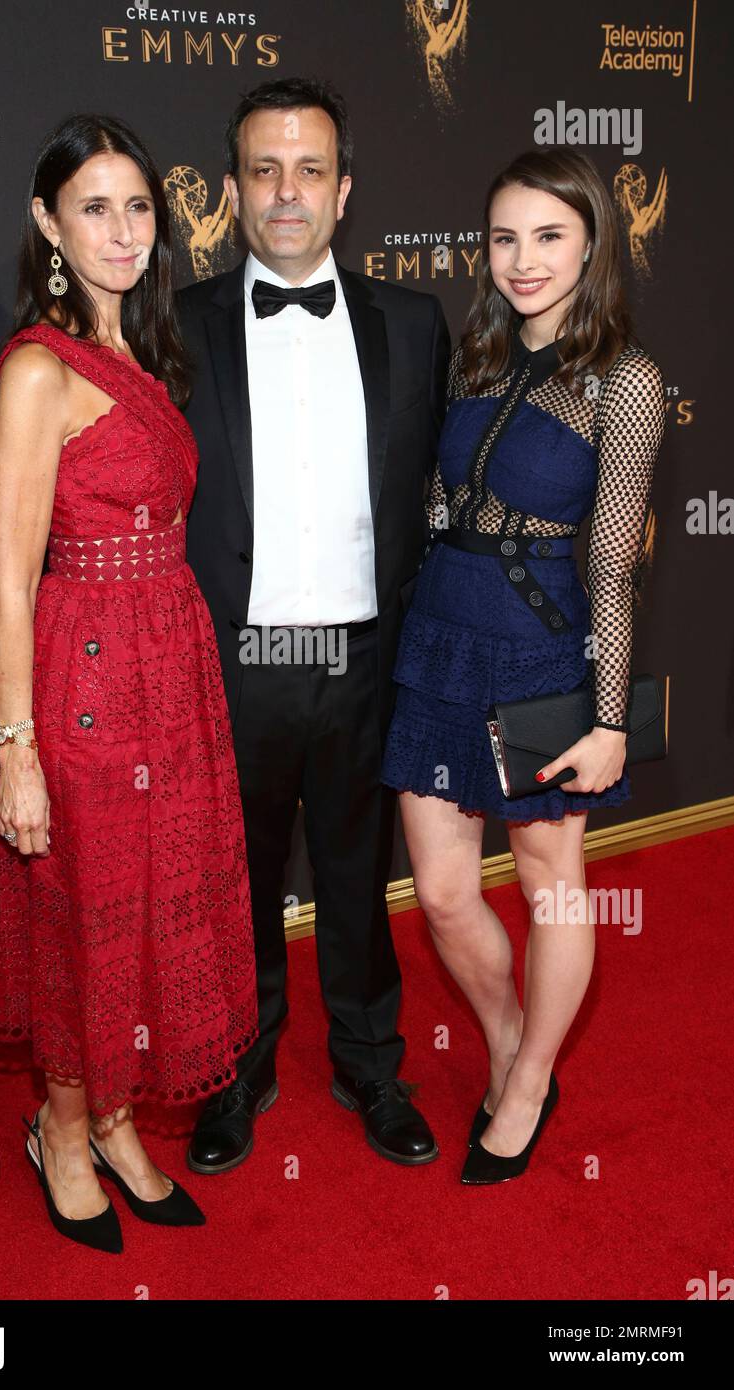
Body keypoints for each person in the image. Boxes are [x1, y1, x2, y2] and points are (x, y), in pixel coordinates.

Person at [0, 113, 258, 1251]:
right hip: (83, 676)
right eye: (93, 207)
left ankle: (116, 1116)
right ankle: (60, 1123)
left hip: (169, 666)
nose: (123, 229)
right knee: (81, 913)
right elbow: (7, 582)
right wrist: (18, 754)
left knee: (149, 905)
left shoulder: (146, 350)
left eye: (138, 205)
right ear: (48, 221)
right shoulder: (40, 366)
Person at [176, 77, 451, 1173]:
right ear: (232, 189)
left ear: (343, 190)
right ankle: (235, 1072)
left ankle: (370, 1064)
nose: (285, 193)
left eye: (308, 170)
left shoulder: (414, 323)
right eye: (262, 169)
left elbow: (434, 486)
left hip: (359, 652)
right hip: (232, 659)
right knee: (229, 882)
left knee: (355, 870)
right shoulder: (177, 323)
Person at [380, 148, 666, 1183]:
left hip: (544, 649)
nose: (523, 259)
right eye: (504, 237)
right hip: (440, 641)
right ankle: (508, 1041)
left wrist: (607, 718)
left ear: (590, 241)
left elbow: (611, 562)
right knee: (444, 893)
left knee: (551, 886)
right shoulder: (476, 357)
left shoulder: (622, 382)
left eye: (547, 235)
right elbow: (434, 504)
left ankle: (531, 1078)